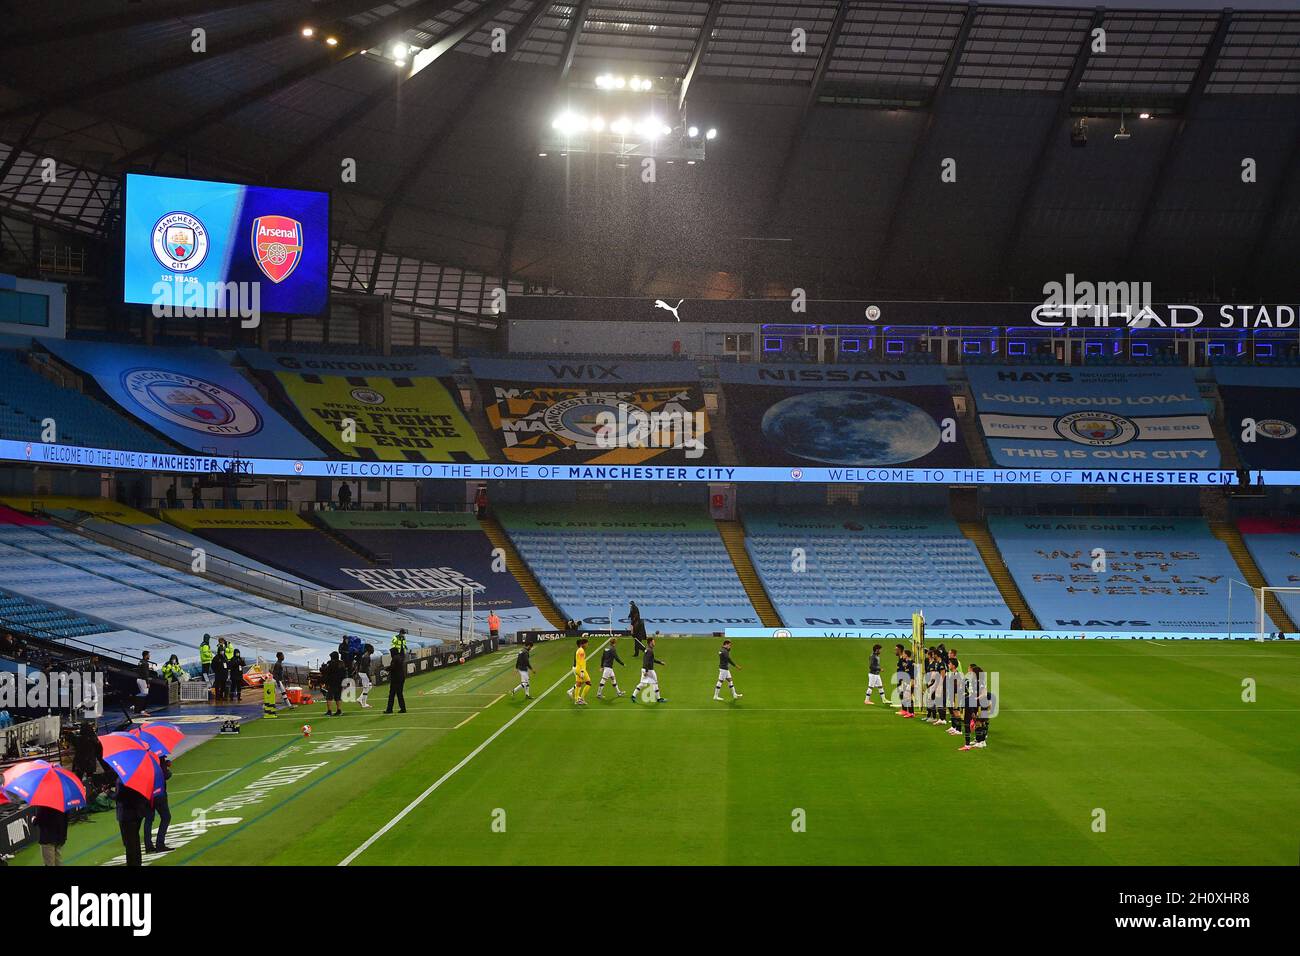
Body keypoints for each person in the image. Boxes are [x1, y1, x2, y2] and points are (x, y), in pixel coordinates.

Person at [115, 780, 151, 867]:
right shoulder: (137, 778)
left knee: (130, 843)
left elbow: (121, 798)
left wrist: (109, 793)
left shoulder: (123, 781)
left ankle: (133, 863)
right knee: (135, 839)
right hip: (138, 813)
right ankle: (137, 862)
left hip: (127, 815)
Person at [144, 755, 172, 853]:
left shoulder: (140, 759)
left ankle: (148, 846)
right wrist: (167, 768)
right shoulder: (158, 757)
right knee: (166, 817)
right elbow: (165, 775)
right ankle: (160, 844)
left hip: (147, 794)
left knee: (148, 819)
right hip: (159, 793)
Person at [631, 637, 666, 704]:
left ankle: (633, 696)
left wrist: (660, 662)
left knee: (642, 683)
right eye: (653, 641)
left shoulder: (648, 650)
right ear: (650, 643)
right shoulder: (649, 651)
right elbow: (646, 661)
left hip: (645, 669)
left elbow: (652, 660)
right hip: (649, 670)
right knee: (655, 683)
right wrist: (646, 671)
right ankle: (658, 699)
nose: (654, 643)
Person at [566, 637, 592, 706]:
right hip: (580, 669)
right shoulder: (581, 651)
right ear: (583, 644)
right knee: (588, 683)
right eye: (587, 644)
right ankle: (582, 698)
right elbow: (581, 661)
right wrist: (582, 671)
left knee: (579, 683)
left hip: (578, 669)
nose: (587, 645)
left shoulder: (579, 650)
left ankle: (577, 699)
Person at [384, 642, 407, 714]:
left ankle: (389, 709)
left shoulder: (394, 658)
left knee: (392, 694)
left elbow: (392, 667)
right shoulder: (400, 657)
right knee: (399, 694)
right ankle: (403, 708)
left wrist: (386, 669)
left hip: (396, 679)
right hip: (401, 678)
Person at [321, 651, 345, 717]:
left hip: (332, 683)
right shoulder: (342, 663)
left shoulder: (330, 663)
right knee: (338, 697)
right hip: (340, 683)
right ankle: (339, 711)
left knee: (329, 697)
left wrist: (323, 668)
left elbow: (326, 671)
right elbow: (344, 673)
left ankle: (329, 711)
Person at [134, 652, 153, 716]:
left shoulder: (140, 661)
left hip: (138, 679)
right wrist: (147, 682)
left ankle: (136, 707)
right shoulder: (146, 663)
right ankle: (142, 711)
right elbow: (146, 674)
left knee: (142, 694)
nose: (149, 656)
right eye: (148, 655)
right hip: (143, 680)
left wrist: (148, 668)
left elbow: (140, 670)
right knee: (145, 695)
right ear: (146, 656)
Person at [355, 644, 373, 709]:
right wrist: (369, 677)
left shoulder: (365, 655)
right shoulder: (366, 656)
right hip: (364, 673)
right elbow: (365, 668)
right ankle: (364, 704)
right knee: (366, 688)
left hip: (362, 673)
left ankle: (360, 699)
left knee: (369, 687)